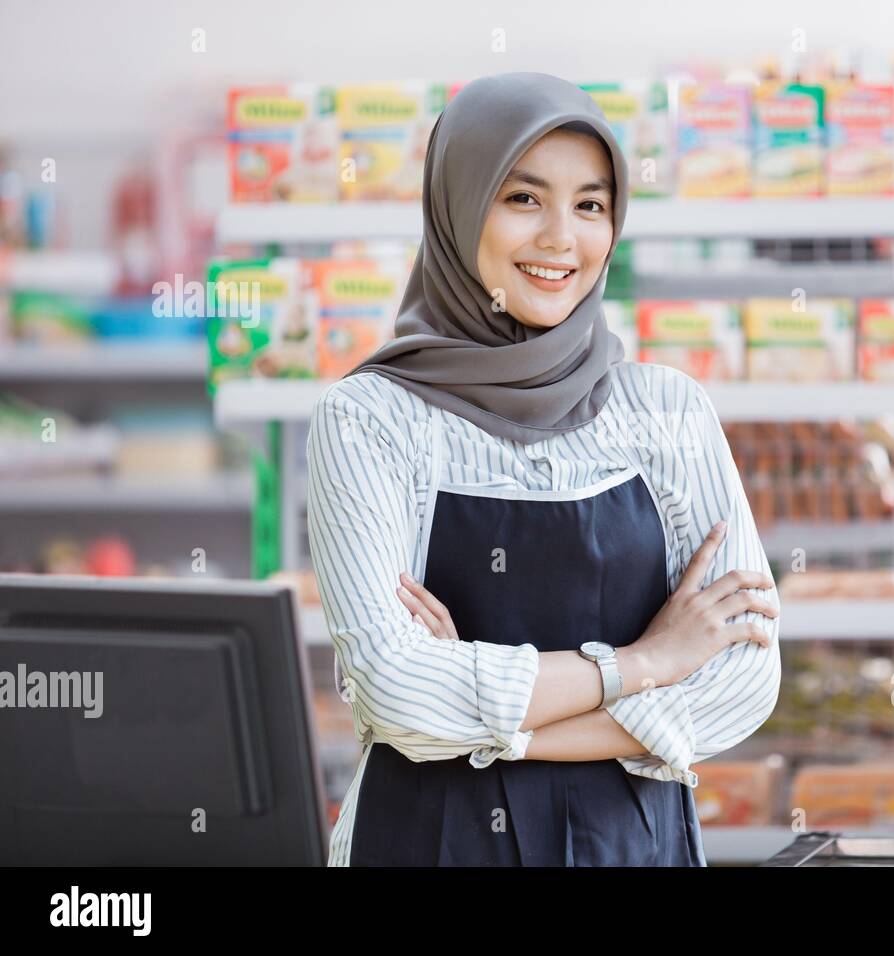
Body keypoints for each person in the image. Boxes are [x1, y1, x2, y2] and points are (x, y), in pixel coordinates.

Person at [307, 71, 781, 867]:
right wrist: (645, 665)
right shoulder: (368, 420)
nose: (563, 238)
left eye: (590, 204)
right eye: (523, 198)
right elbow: (393, 687)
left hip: (633, 846)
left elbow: (742, 681)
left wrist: (488, 728)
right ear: (458, 209)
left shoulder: (665, 410)